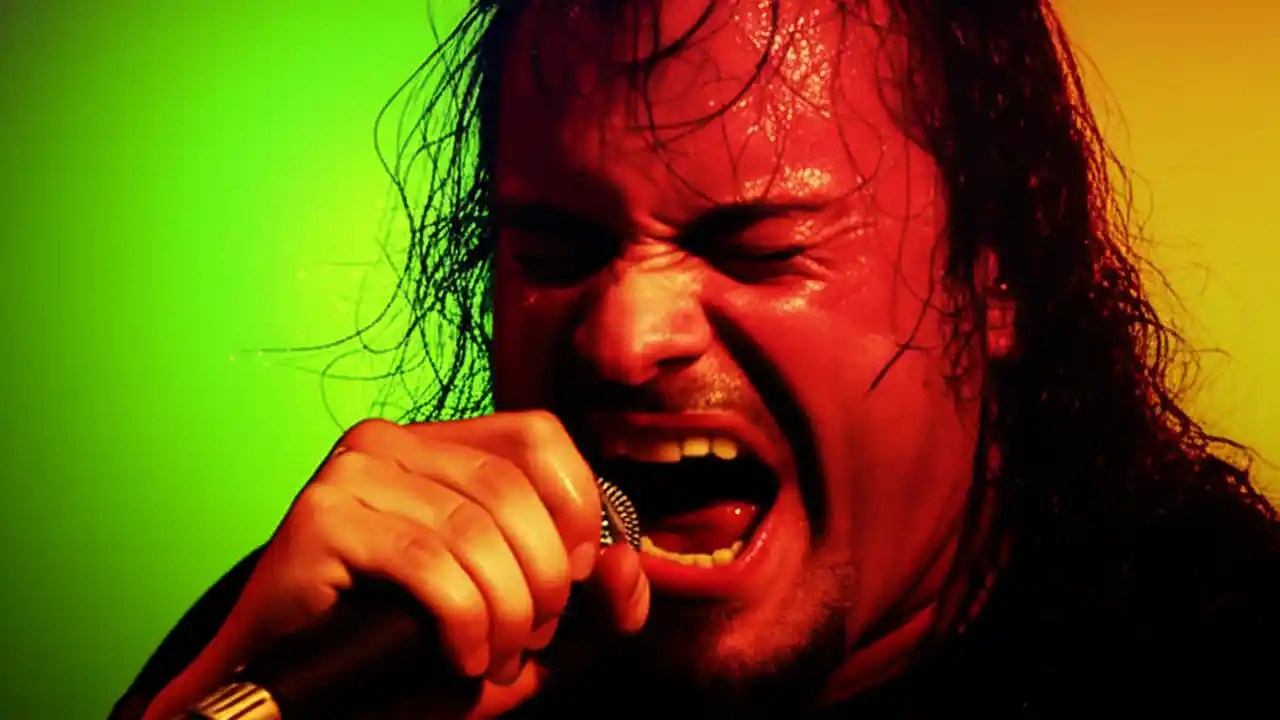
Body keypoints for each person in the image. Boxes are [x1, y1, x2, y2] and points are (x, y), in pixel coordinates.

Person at [112, 1, 1280, 718]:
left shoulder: (1221, 650)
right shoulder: (354, 646)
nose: (623, 339)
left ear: (997, 261)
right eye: (554, 249)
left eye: (756, 248)